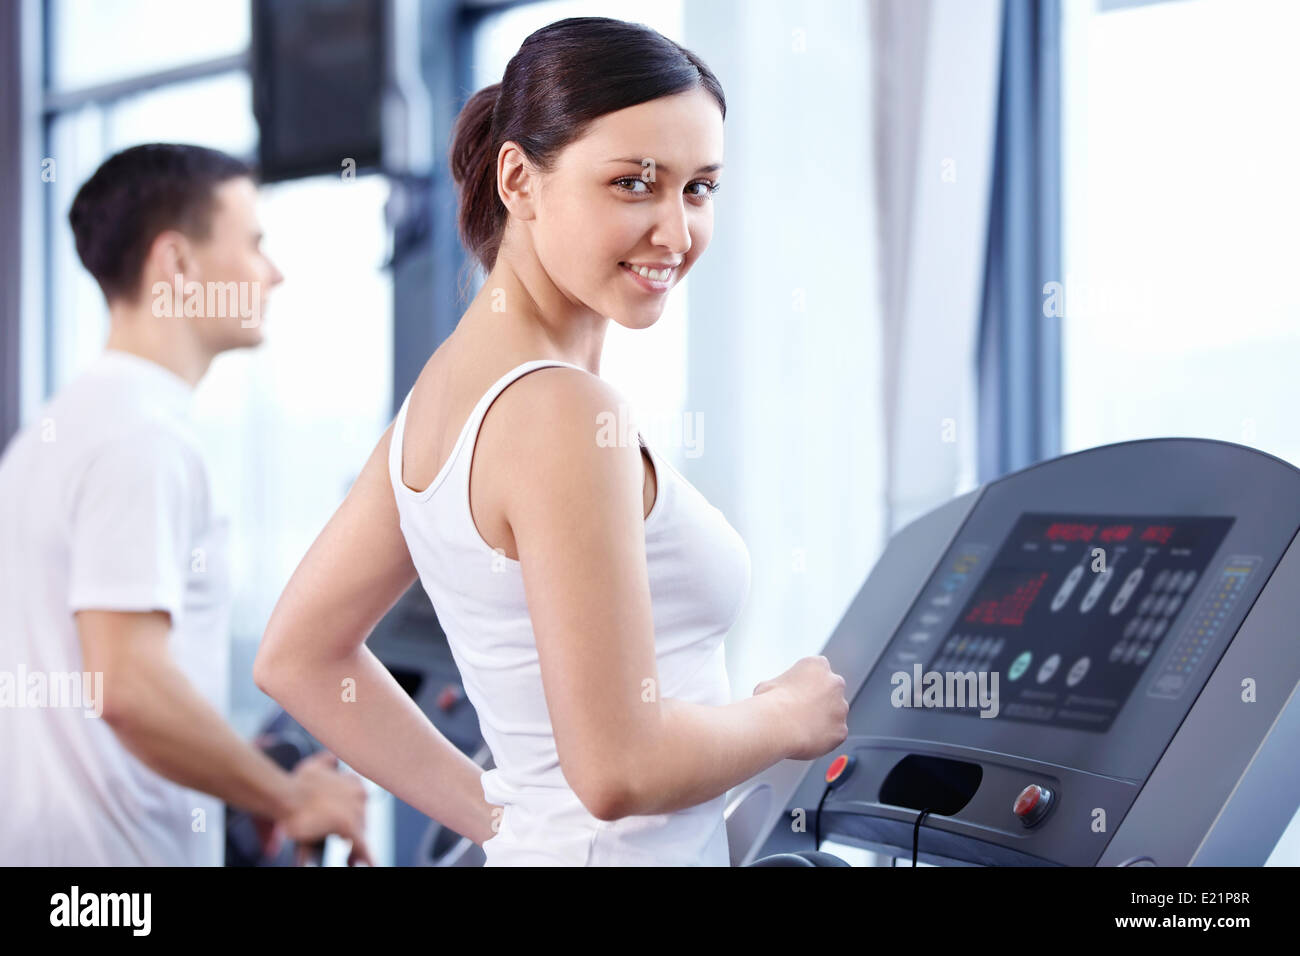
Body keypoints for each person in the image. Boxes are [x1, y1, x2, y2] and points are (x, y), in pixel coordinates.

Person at [255, 17, 848, 866]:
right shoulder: (561, 414)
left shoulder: (443, 397)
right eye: (634, 184)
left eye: (699, 188)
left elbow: (297, 656)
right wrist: (788, 717)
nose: (676, 233)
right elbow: (619, 769)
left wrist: (502, 818)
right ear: (519, 180)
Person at [0, 143, 370, 866]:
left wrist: (238, 774)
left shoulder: (50, 434)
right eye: (256, 244)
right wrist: (287, 797)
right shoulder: (143, 439)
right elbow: (127, 688)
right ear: (177, 264)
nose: (275, 273)